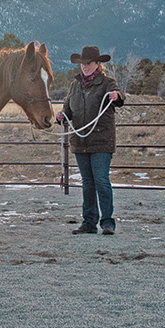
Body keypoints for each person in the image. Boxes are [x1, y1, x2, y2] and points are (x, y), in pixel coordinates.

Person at [56, 46, 124, 235]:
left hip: (101, 140)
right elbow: (68, 109)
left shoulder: (107, 83)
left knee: (101, 180)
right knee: (87, 182)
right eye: (82, 64)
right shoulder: (75, 86)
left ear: (97, 64)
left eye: (88, 63)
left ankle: (107, 222)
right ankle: (89, 222)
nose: (84, 67)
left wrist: (117, 96)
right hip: (80, 141)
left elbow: (119, 97)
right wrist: (61, 116)